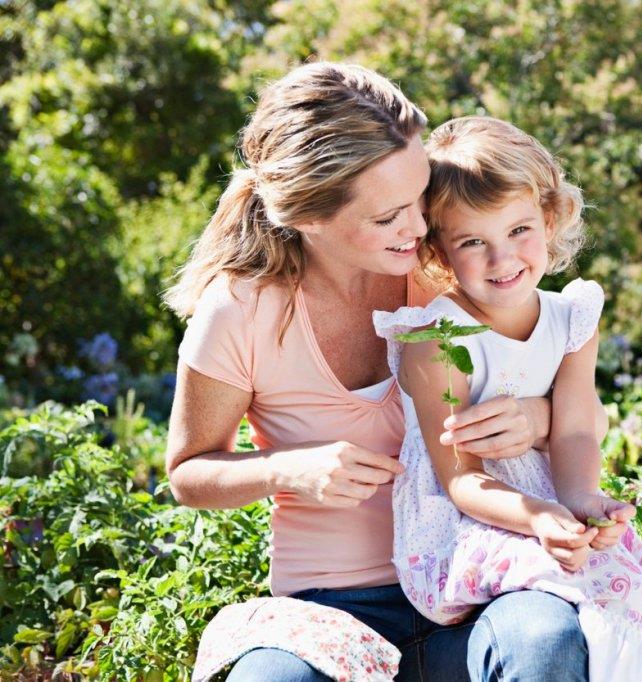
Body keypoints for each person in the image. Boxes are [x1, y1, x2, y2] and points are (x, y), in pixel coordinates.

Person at [164, 62, 605, 682]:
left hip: (477, 581)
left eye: (419, 195)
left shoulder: (446, 267)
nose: (421, 227)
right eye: (388, 215)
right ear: (309, 216)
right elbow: (188, 473)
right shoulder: (240, 310)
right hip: (333, 610)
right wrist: (289, 468)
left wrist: (538, 416)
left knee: (543, 637)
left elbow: (580, 403)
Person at [374, 116, 642, 682]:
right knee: (575, 594)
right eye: (473, 241)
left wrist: (581, 500)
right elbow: (460, 479)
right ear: (438, 251)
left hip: (550, 503)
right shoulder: (437, 341)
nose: (502, 260)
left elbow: (576, 429)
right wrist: (541, 521)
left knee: (624, 591)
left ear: (550, 219)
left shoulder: (571, 317)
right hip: (469, 522)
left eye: (519, 231)